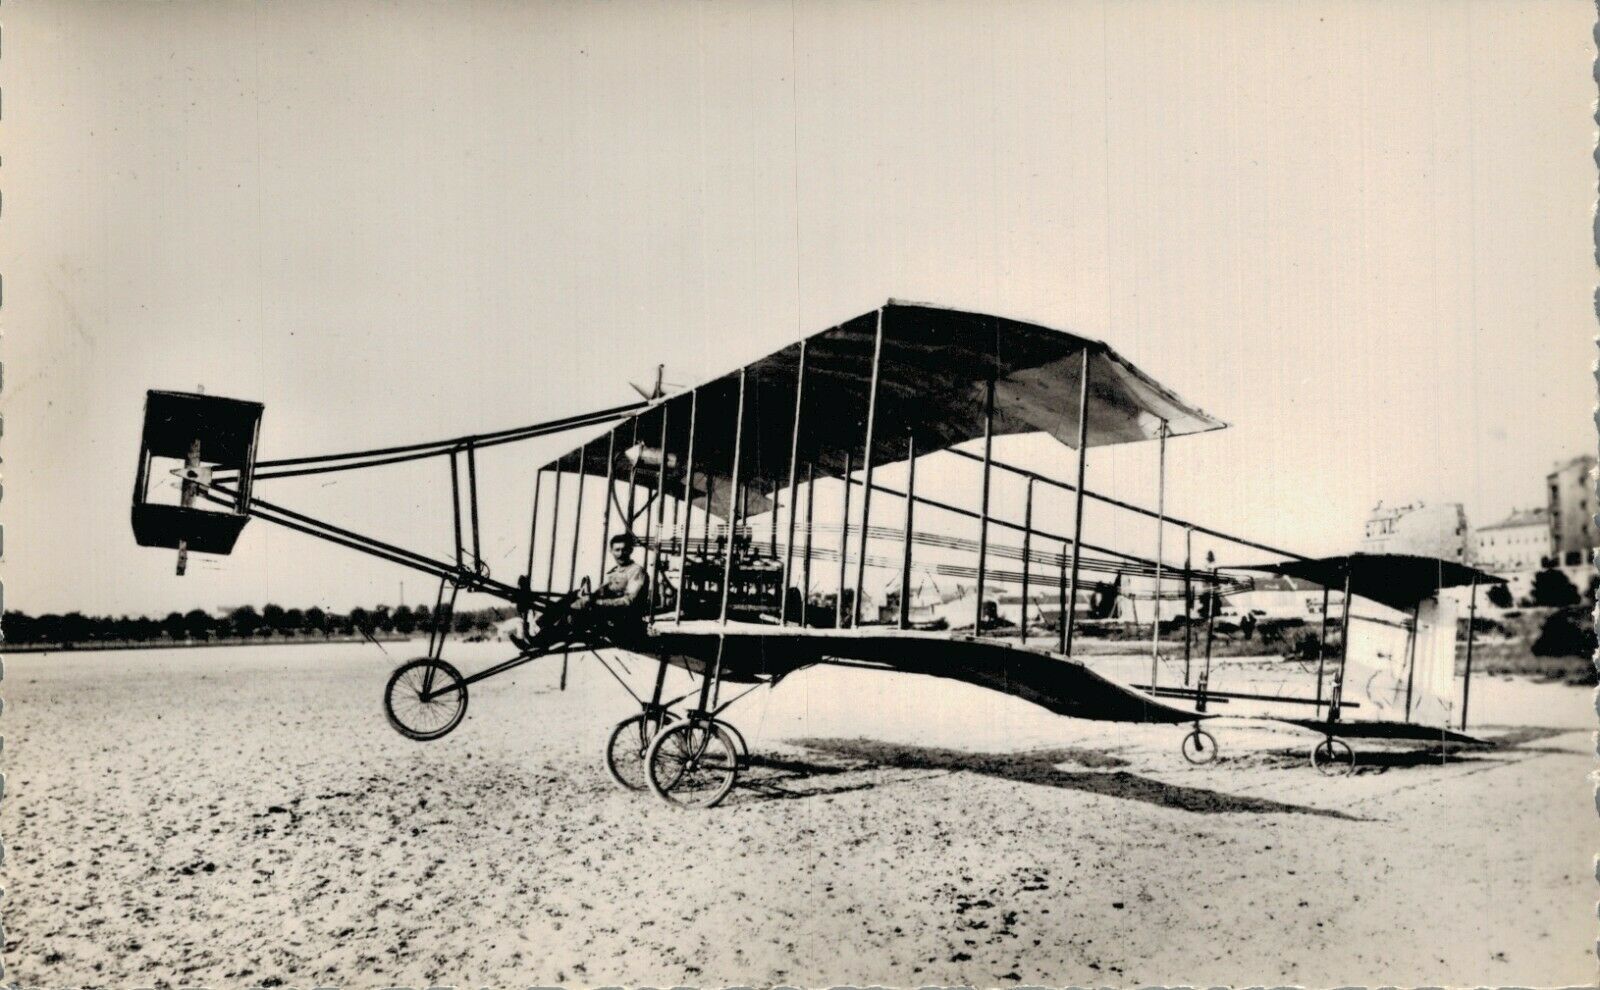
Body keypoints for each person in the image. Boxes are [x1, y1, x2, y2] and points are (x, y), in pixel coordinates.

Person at [512, 532, 650, 651]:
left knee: (575, 616)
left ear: (630, 550)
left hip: (624, 624)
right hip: (611, 616)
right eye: (617, 550)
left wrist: (595, 602)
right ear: (611, 551)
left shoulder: (636, 571)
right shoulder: (615, 572)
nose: (620, 554)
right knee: (574, 595)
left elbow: (628, 601)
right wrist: (585, 596)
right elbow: (601, 592)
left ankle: (538, 639)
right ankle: (540, 625)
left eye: (624, 550)